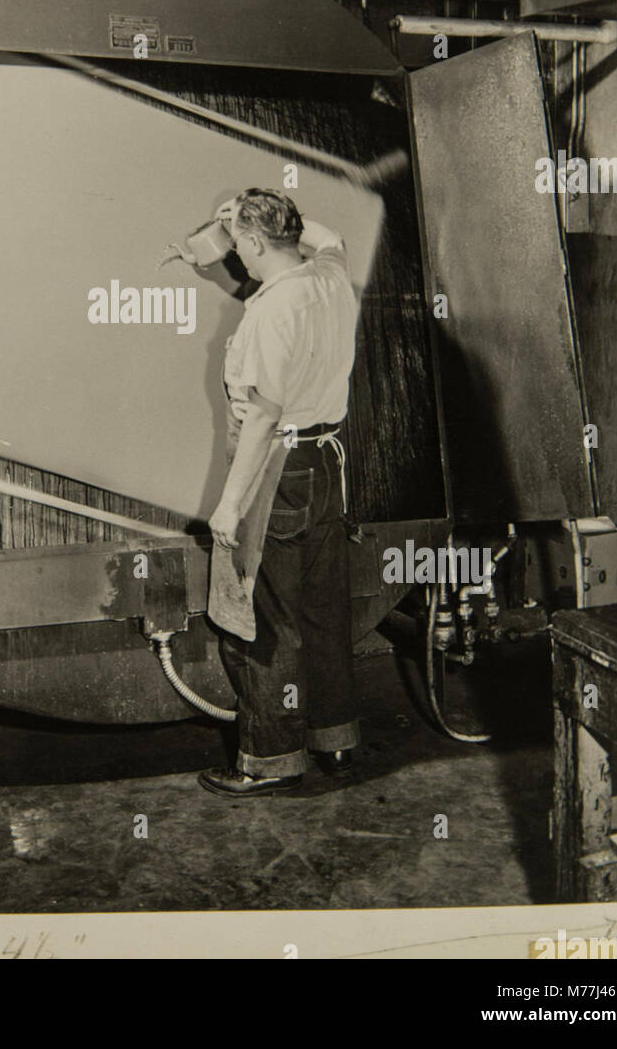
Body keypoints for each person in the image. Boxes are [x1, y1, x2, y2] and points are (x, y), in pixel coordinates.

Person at [199, 188, 360, 796]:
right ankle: (335, 738)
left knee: (265, 619)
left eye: (238, 239)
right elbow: (329, 238)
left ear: (256, 244)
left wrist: (229, 508)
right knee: (324, 609)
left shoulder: (271, 311)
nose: (233, 251)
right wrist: (265, 214)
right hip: (327, 465)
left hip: (278, 472)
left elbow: (263, 420)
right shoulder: (330, 277)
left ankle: (270, 759)